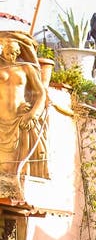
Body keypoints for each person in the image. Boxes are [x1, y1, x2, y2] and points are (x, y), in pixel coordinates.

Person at [0, 35, 47, 200]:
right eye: (6, 51)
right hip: (1, 120)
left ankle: (15, 191)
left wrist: (33, 113)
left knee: (15, 167)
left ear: (19, 51)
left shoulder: (26, 68)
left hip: (20, 121)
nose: (9, 55)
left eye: (12, 52)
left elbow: (41, 93)